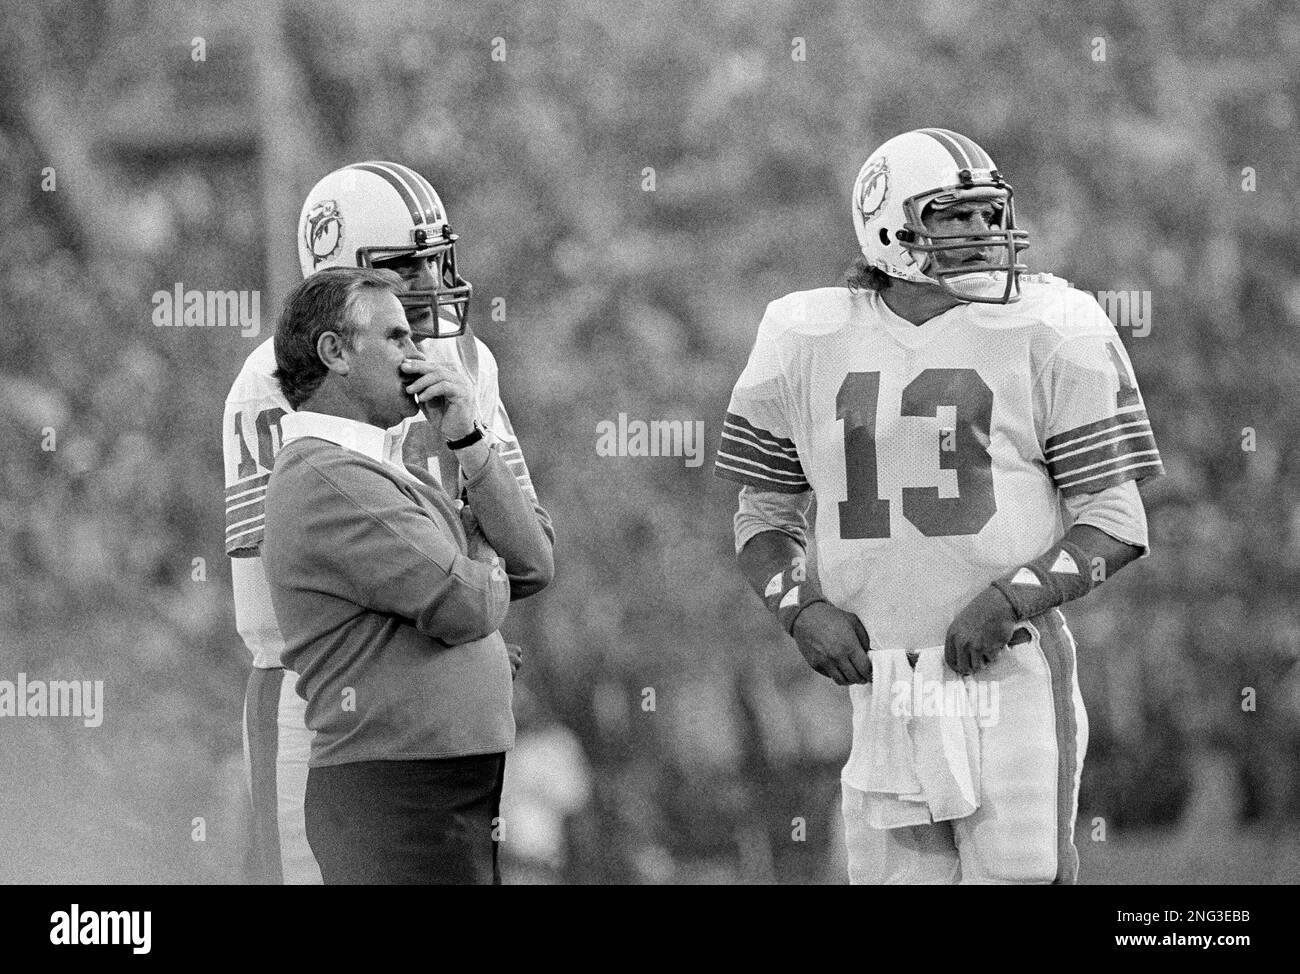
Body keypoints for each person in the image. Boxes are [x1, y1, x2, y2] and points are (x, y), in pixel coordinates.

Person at [715, 128, 1163, 884]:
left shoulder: (1052, 323)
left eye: (990, 215)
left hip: (1008, 675)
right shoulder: (804, 335)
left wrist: (1009, 600)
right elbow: (762, 518)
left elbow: (1117, 522)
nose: (985, 234)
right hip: (883, 684)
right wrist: (800, 610)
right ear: (889, 224)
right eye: (956, 216)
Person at [221, 161, 551, 883]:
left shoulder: (467, 362)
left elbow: (531, 558)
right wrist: (464, 595)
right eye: (405, 265)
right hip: (315, 707)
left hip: (436, 732)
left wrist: (465, 601)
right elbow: (289, 611)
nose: (431, 281)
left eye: (436, 259)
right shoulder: (270, 383)